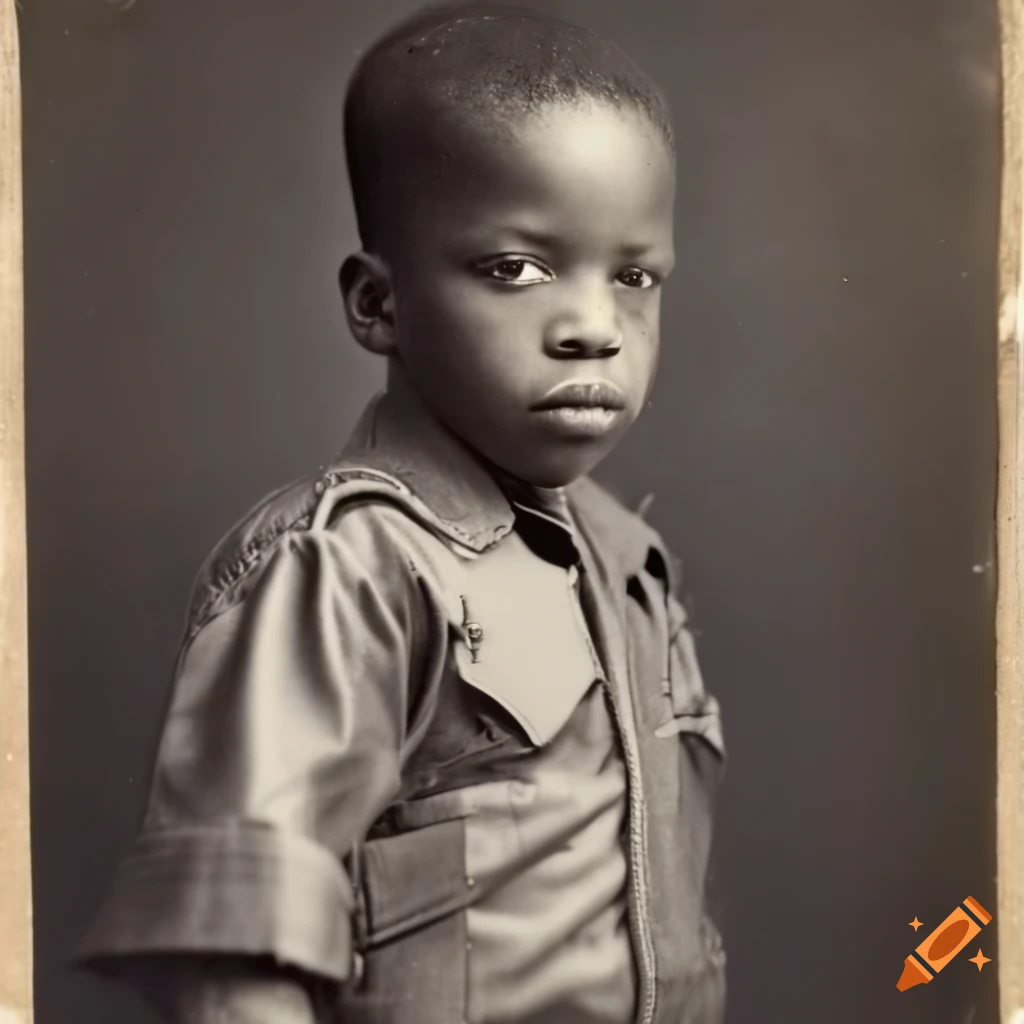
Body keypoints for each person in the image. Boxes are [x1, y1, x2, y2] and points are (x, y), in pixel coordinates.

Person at [75, 4, 728, 1022]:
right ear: (378, 304)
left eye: (634, 276)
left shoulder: (632, 564)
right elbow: (226, 966)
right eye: (516, 269)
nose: (594, 328)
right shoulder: (343, 567)